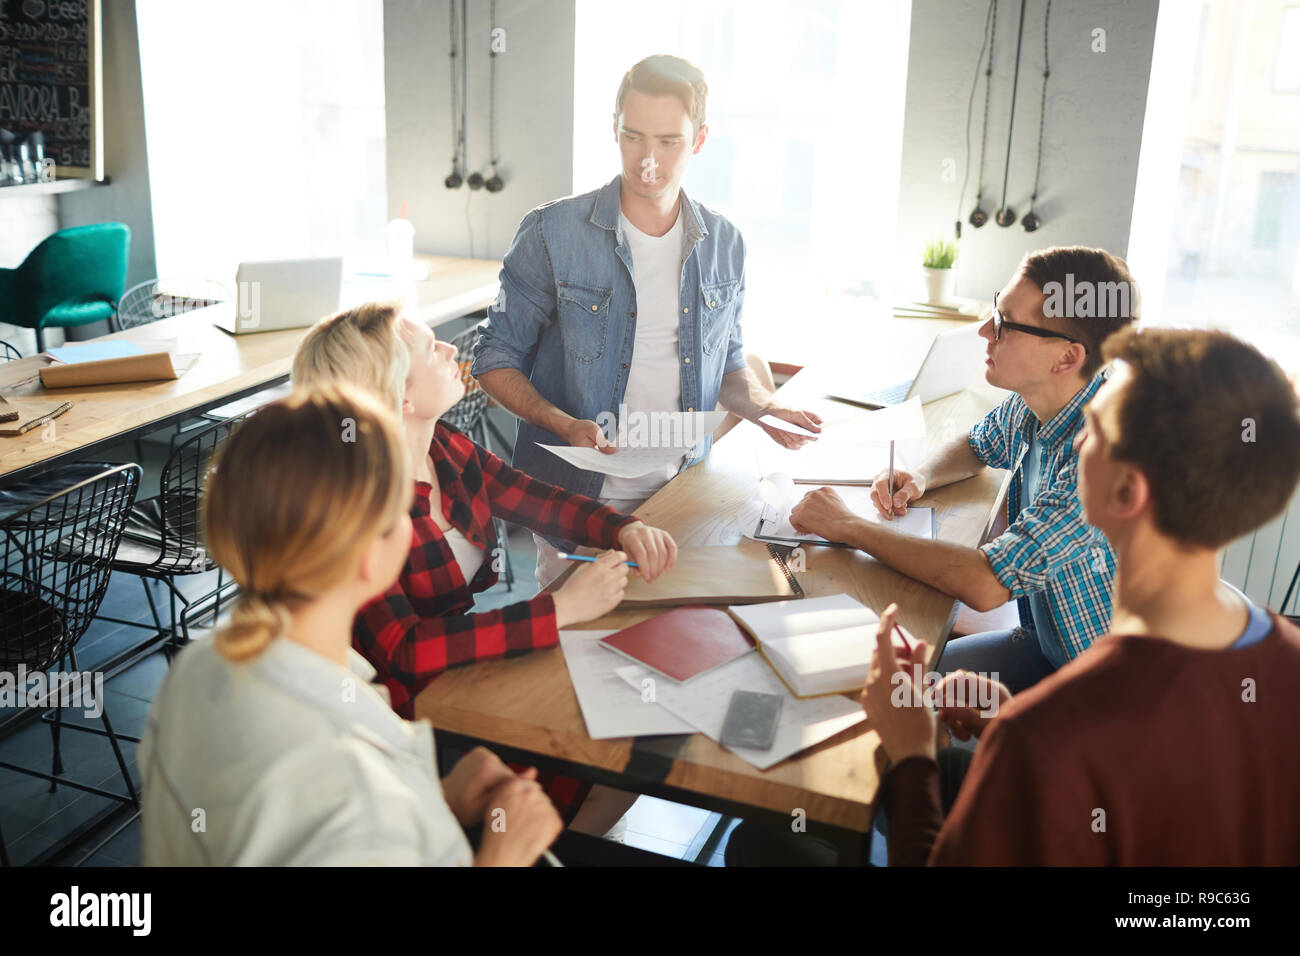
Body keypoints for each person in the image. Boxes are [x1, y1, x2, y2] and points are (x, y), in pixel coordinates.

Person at [863, 327, 1300, 864]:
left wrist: (911, 757)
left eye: (1093, 430)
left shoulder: (1045, 738)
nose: (1073, 442)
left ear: (1127, 491)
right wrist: (1005, 718)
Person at [292, 301, 675, 833]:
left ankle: (530, 840)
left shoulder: (445, 449)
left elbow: (534, 497)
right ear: (399, 393)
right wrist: (557, 609)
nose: (452, 349)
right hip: (402, 721)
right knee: (609, 757)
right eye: (432, 347)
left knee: (624, 750)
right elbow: (406, 652)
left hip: (466, 672)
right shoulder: (352, 508)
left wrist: (620, 528)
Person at [139, 386, 562, 865]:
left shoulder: (200, 664)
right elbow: (353, 825)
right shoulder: (353, 786)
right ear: (367, 555)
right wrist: (504, 853)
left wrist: (438, 799)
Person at [472, 53, 822, 586]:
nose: (648, 162)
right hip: (575, 504)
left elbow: (727, 366)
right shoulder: (550, 233)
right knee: (575, 653)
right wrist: (563, 423)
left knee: (680, 646)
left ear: (700, 139)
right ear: (613, 127)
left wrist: (764, 406)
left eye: (669, 142)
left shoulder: (725, 242)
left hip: (683, 496)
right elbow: (493, 359)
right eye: (633, 137)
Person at [791, 246, 1138, 692]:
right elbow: (975, 445)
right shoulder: (1040, 404)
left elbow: (985, 583)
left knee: (898, 689)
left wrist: (849, 526)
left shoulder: (1104, 463)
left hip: (1104, 694)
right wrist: (920, 476)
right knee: (890, 681)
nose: (984, 330)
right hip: (1045, 648)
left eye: (1006, 324)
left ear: (1067, 358)